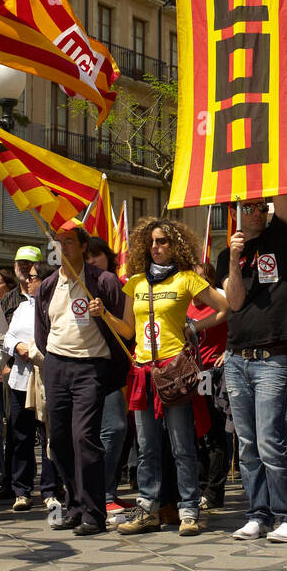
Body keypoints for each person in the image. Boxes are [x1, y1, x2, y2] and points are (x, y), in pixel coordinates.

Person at [103, 218, 228, 537]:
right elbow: (129, 330)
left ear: (176, 246)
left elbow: (226, 307)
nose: (157, 247)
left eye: (164, 242)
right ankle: (148, 508)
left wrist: (195, 328)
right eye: (153, 242)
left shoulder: (187, 279)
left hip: (175, 373)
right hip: (142, 371)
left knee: (182, 444)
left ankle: (188, 510)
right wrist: (103, 313)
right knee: (146, 446)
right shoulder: (135, 283)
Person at [216, 197, 287, 542]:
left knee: (271, 440)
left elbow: (284, 194)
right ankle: (258, 513)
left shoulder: (281, 237)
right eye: (249, 208)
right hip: (237, 358)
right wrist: (232, 257)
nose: (257, 213)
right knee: (246, 444)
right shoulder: (227, 253)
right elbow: (236, 302)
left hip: (273, 357)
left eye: (262, 207)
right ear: (235, 213)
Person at [33, 220, 129, 536]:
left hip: (92, 367)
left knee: (84, 437)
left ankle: (94, 512)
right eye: (58, 241)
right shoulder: (47, 286)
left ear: (84, 246)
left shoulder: (103, 281)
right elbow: (41, 333)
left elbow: (124, 332)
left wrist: (105, 314)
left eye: (70, 241)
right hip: (57, 365)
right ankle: (74, 505)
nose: (63, 247)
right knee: (58, 440)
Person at [83, 235, 134, 520]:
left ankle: (107, 492)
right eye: (87, 257)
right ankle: (99, 494)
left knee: (116, 431)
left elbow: (128, 331)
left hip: (115, 371)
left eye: (96, 256)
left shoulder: (120, 287)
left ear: (109, 258)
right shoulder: (77, 288)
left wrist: (104, 314)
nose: (91, 262)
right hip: (87, 371)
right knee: (105, 431)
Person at [3, 264, 48, 511]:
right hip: (20, 379)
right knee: (21, 435)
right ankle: (22, 490)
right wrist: (18, 345)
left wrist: (33, 351)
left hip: (45, 378)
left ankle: (51, 489)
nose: (28, 282)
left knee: (48, 435)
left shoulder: (52, 306)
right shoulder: (21, 307)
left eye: (32, 277)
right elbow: (8, 336)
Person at [189, 260, 230, 510]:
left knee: (216, 434)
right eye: (193, 279)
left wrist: (229, 350)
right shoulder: (183, 304)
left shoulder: (220, 302)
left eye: (203, 279)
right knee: (197, 435)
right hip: (190, 376)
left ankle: (214, 492)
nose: (198, 284)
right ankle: (200, 486)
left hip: (213, 375)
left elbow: (237, 329)